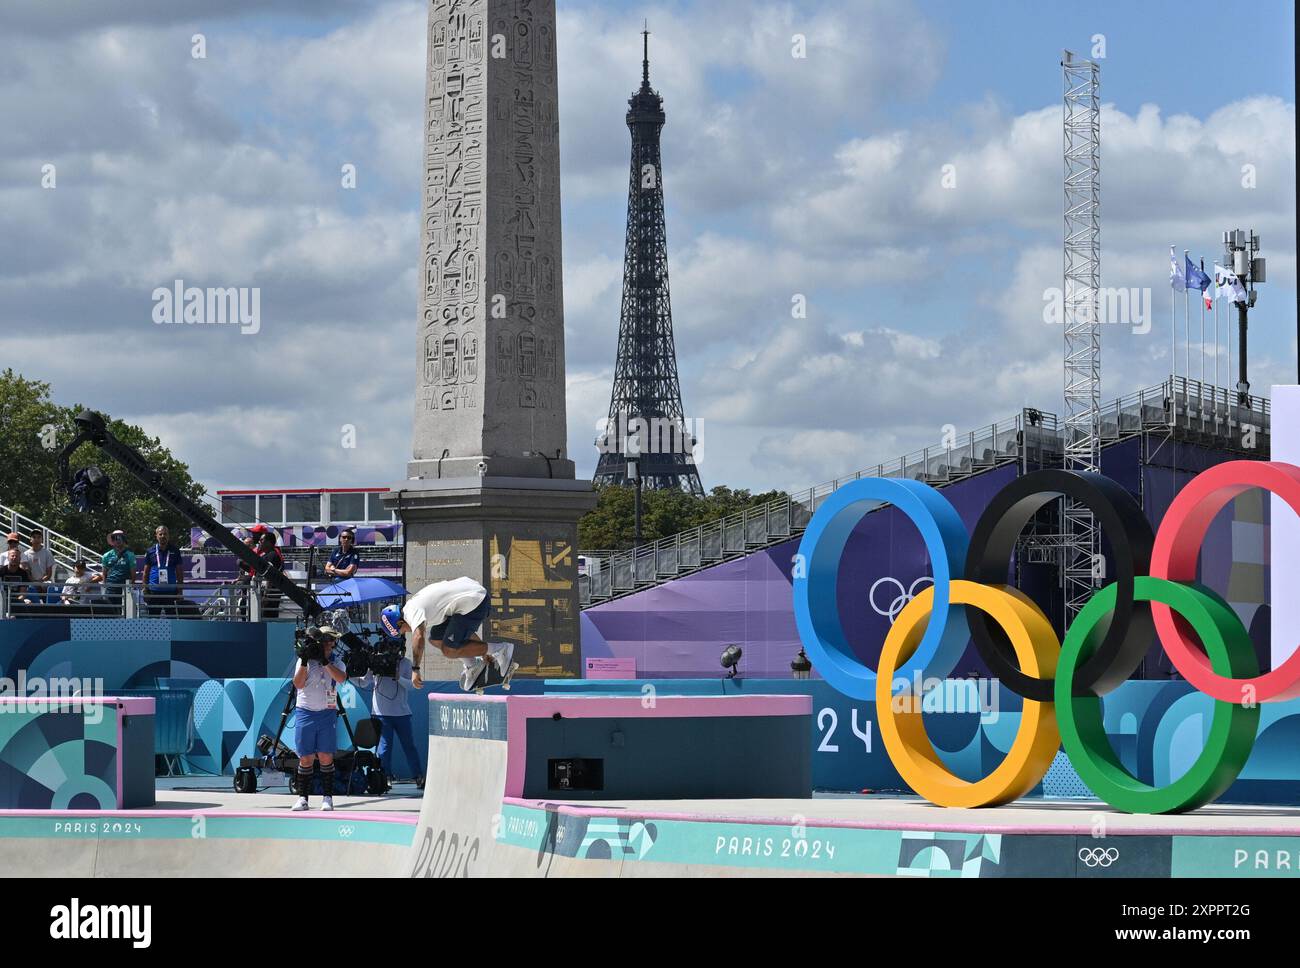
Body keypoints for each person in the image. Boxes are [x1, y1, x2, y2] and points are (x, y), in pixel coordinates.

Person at [379, 576, 513, 691]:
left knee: (449, 650)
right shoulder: (414, 604)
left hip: (474, 601)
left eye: (402, 631)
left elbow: (418, 637)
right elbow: (464, 631)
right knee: (436, 637)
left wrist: (415, 669)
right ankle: (473, 665)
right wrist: (483, 652)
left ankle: (501, 649)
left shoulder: (411, 613)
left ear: (399, 623)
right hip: (470, 597)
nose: (406, 632)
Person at [291, 627, 347, 812]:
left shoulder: (336, 661)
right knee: (305, 758)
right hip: (305, 711)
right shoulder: (303, 660)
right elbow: (298, 684)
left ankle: (327, 798)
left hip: (327, 712)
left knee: (325, 756)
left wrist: (324, 661)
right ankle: (302, 798)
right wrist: (306, 659)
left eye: (330, 642)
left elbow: (341, 679)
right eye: (323, 642)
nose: (327, 645)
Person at [350, 641, 423, 785]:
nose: (392, 651)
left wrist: (397, 677)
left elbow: (413, 686)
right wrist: (349, 676)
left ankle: (418, 776)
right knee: (384, 747)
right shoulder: (375, 661)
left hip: (402, 713)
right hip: (380, 713)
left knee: (409, 746)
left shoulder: (406, 663)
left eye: (395, 648)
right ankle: (385, 776)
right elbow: (364, 682)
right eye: (389, 648)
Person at [141, 525, 184, 616]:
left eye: (165, 534)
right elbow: (146, 572)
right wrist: (145, 589)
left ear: (168, 536)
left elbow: (179, 572)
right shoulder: (150, 551)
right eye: (160, 534)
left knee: (172, 619)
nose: (163, 536)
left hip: (171, 592)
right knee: (153, 620)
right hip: (154, 592)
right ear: (156, 536)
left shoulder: (175, 551)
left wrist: (180, 591)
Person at [98, 530, 136, 614]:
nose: (118, 540)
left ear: (124, 539)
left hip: (125, 588)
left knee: (125, 611)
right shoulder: (106, 555)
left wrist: (131, 587)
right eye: (115, 538)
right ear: (112, 541)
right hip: (110, 588)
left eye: (120, 537)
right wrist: (105, 585)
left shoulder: (130, 555)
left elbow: (133, 573)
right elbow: (104, 573)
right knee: (110, 611)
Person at [255, 529, 285, 619]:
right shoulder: (266, 555)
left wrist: (266, 595)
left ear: (269, 542)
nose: (259, 542)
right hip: (265, 593)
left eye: (261, 540)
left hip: (270, 595)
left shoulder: (272, 555)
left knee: (267, 618)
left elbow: (269, 577)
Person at [21, 528, 55, 603]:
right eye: (34, 537)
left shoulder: (47, 553)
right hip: (31, 582)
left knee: (49, 589)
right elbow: (27, 572)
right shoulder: (25, 554)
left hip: (45, 582)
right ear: (30, 540)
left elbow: (49, 573)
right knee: (29, 589)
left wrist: (41, 581)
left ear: (42, 540)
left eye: (39, 537)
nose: (36, 539)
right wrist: (34, 582)